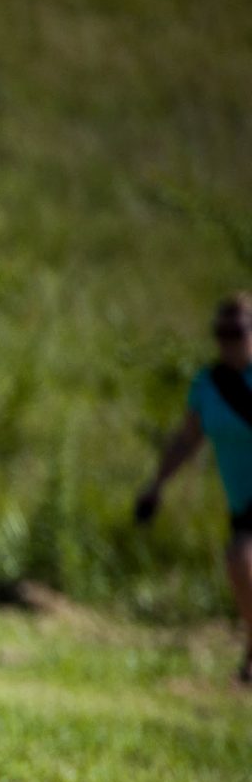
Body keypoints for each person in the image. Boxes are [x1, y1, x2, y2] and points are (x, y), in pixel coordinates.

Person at [137, 292, 252, 684]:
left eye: (236, 331)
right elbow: (187, 440)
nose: (228, 340)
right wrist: (156, 485)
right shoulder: (209, 384)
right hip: (241, 501)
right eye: (220, 332)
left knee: (241, 557)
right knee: (241, 564)